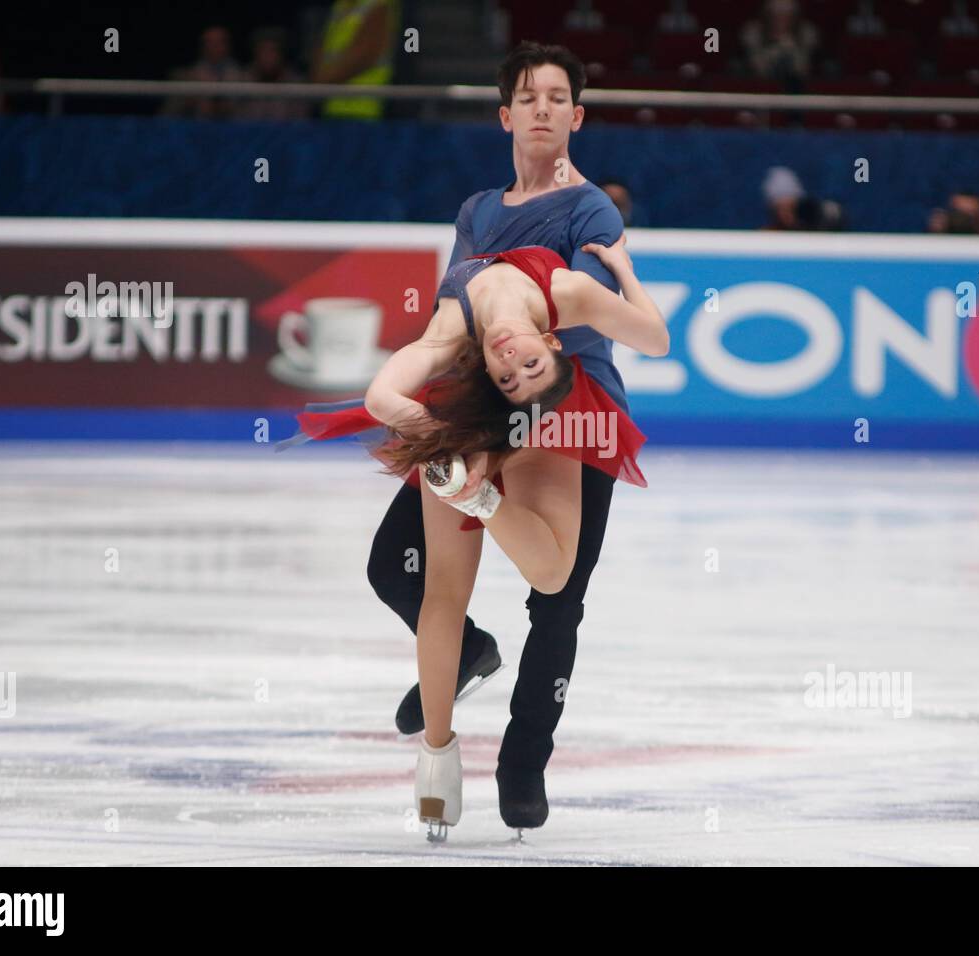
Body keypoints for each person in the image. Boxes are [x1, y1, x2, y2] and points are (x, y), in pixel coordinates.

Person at [281, 239, 667, 837]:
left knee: (554, 575)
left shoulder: (569, 296)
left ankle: (480, 499)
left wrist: (624, 271)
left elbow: (656, 339)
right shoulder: (456, 328)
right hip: (470, 416)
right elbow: (383, 398)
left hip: (555, 416)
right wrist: (447, 438)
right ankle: (437, 755)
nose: (512, 358)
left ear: (555, 340)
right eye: (512, 371)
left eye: (525, 364)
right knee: (443, 592)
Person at [365, 42, 641, 834]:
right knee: (394, 567)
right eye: (529, 97)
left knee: (557, 604)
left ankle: (523, 765)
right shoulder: (478, 212)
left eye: (558, 97)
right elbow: (455, 317)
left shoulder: (592, 210)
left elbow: (586, 311)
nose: (544, 108)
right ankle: (467, 652)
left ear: (577, 116)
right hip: (486, 410)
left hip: (574, 417)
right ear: (506, 115)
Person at [312, 0, 400, 120]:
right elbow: (323, 47)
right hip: (330, 107)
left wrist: (320, 84)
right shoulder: (340, 5)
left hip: (364, 112)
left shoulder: (379, 4)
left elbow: (364, 55)